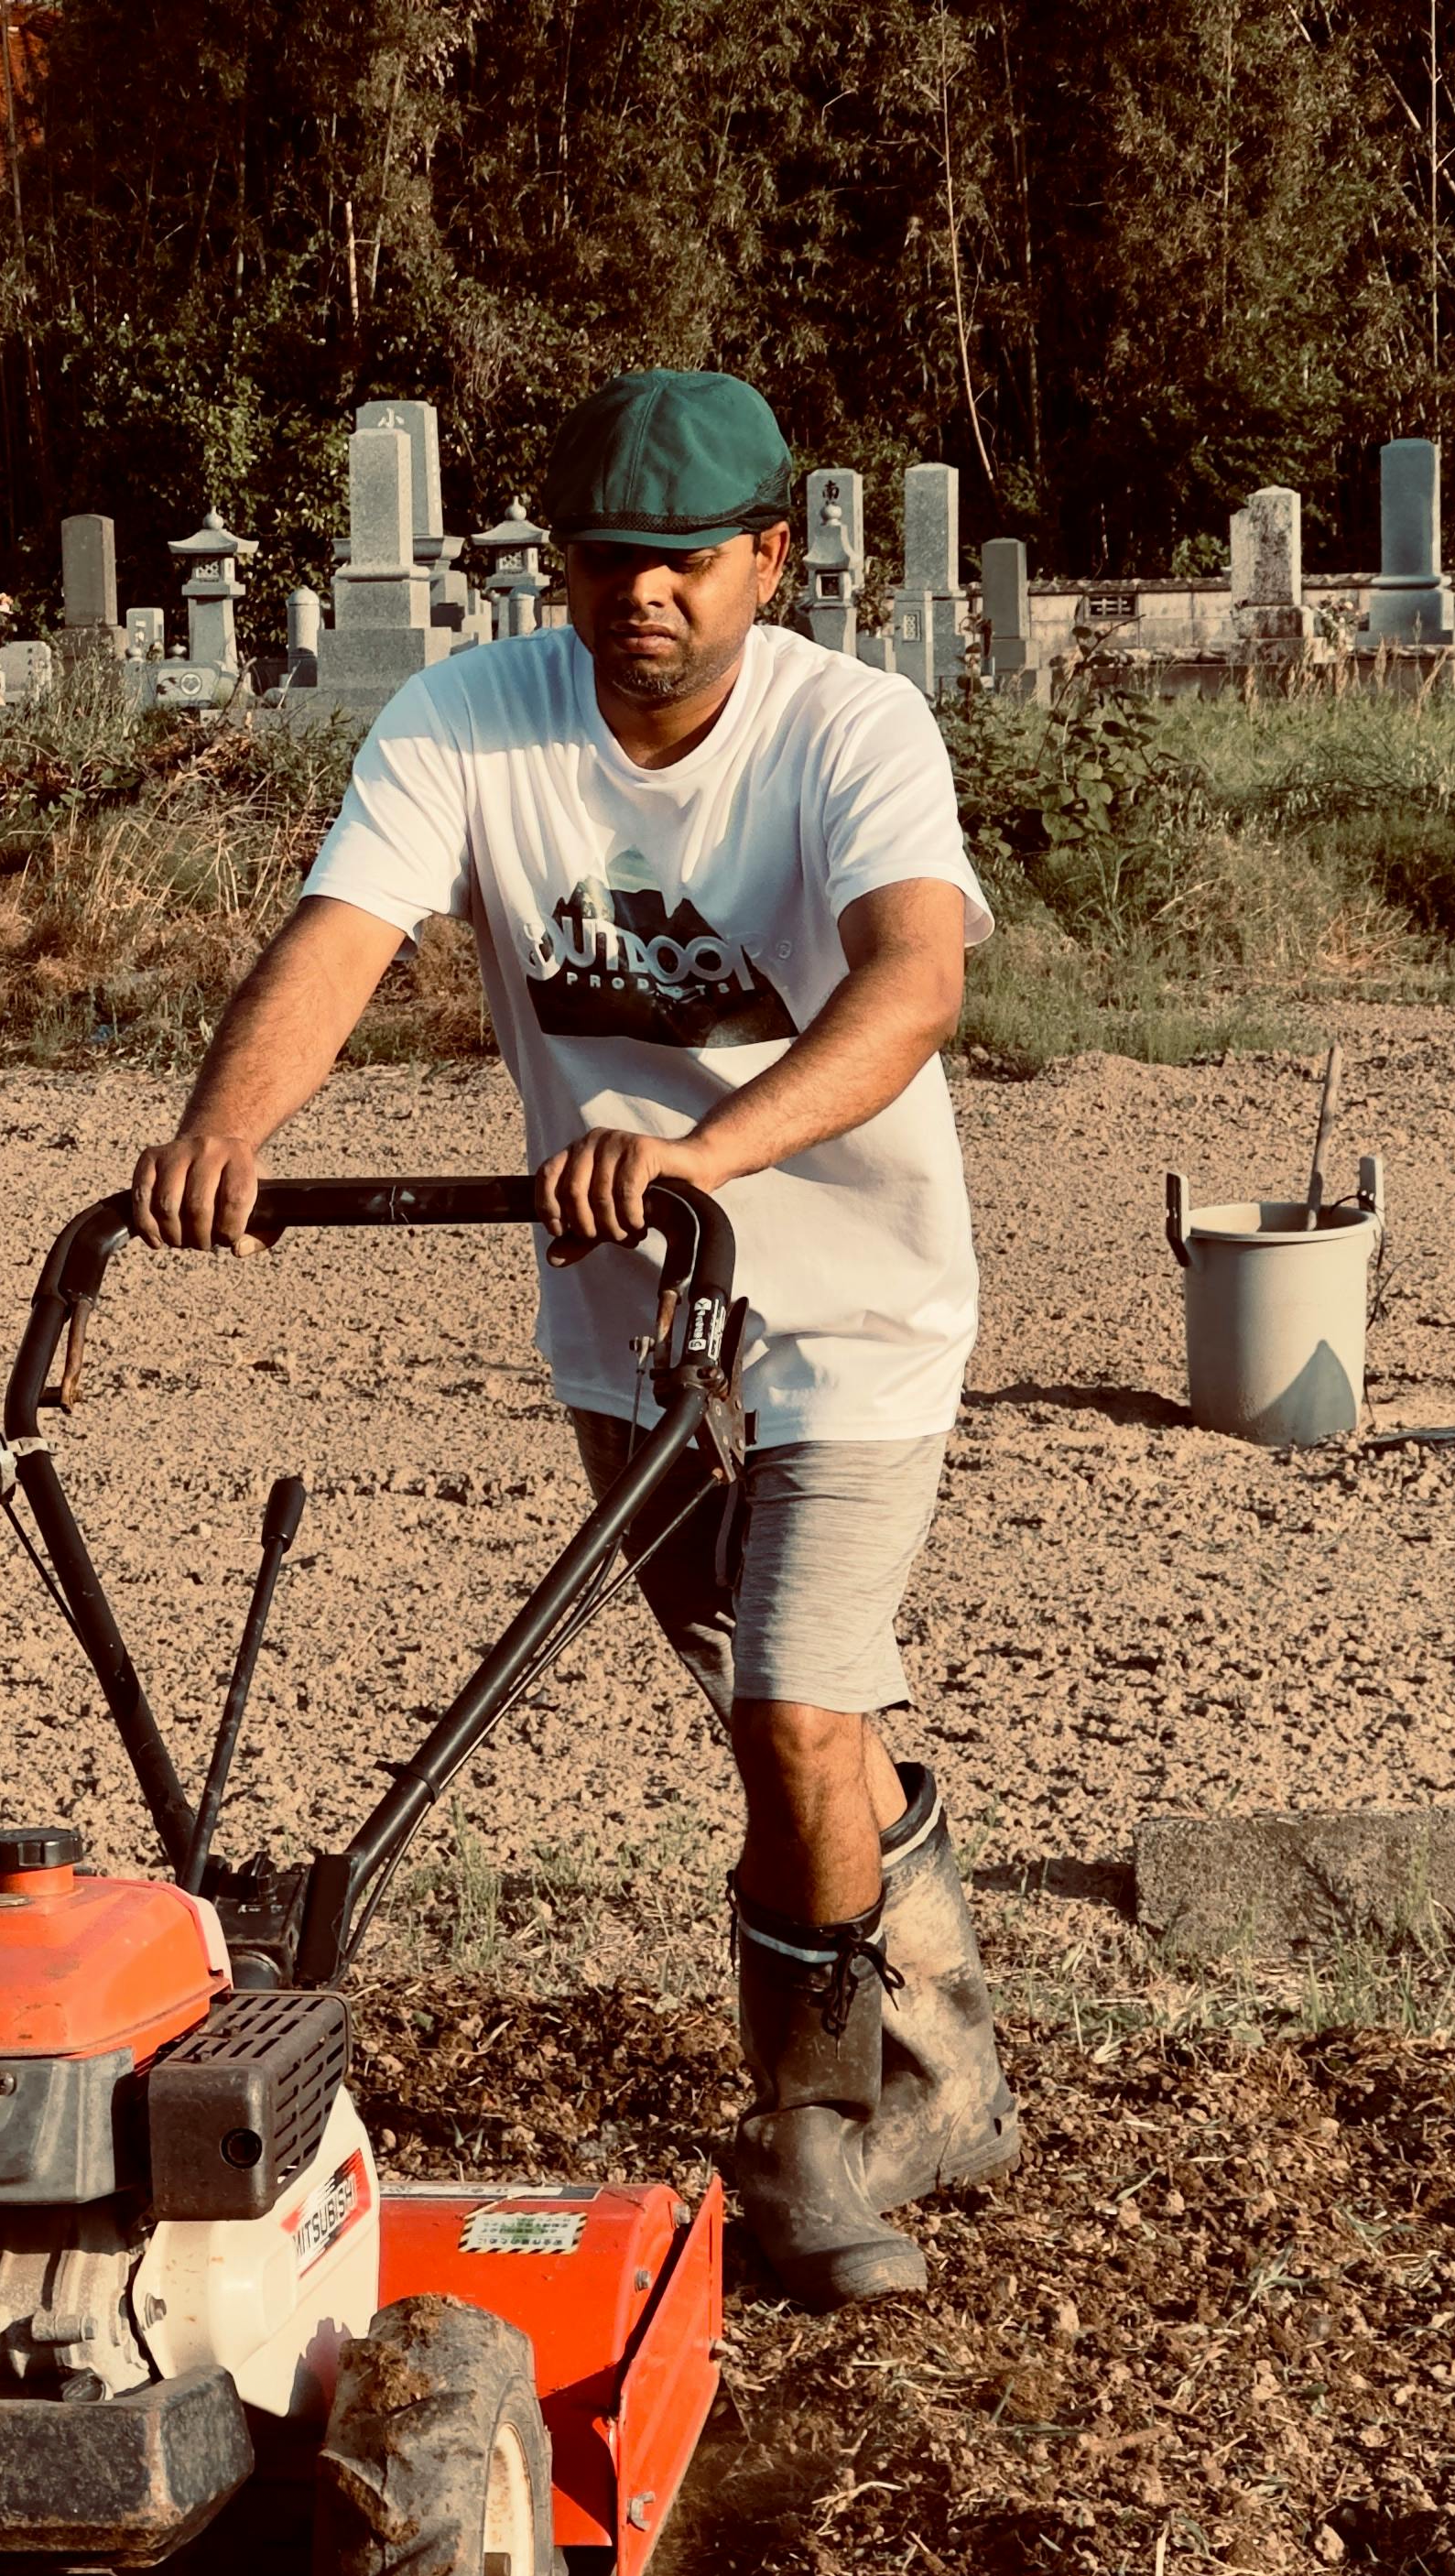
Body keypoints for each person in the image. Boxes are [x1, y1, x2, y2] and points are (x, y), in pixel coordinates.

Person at [129, 369, 1018, 2306]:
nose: (640, 601)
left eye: (684, 564)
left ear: (767, 560)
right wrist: (229, 1132)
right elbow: (341, 935)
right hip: (626, 1325)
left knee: (796, 1711)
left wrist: (704, 1143)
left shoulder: (850, 730)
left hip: (853, 1306)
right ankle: (946, 2064)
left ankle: (820, 2124)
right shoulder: (469, 719)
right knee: (795, 1735)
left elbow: (916, 981)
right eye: (607, 566)